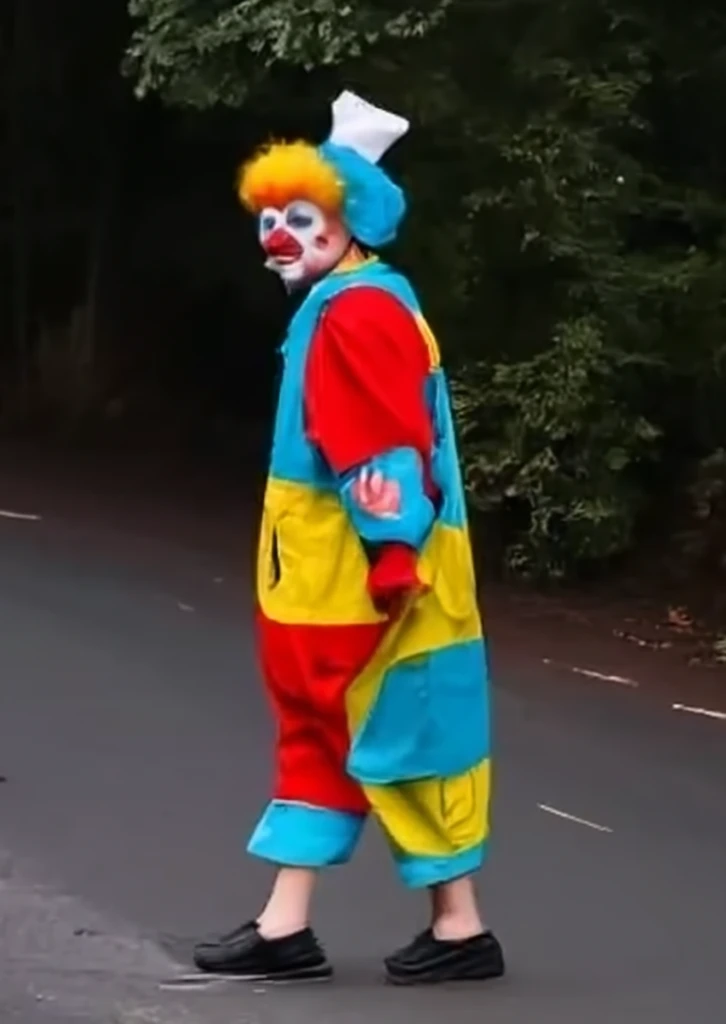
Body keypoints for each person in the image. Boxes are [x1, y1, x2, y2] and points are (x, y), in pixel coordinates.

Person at [192, 91, 503, 987]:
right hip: (325, 581)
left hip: (354, 583)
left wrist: (392, 550)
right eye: (270, 220)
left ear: (350, 222)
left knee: (381, 739)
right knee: (348, 738)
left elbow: (378, 443)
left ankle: (449, 929)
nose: (277, 237)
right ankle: (343, 925)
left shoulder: (355, 313)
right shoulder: (351, 302)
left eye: (300, 218)